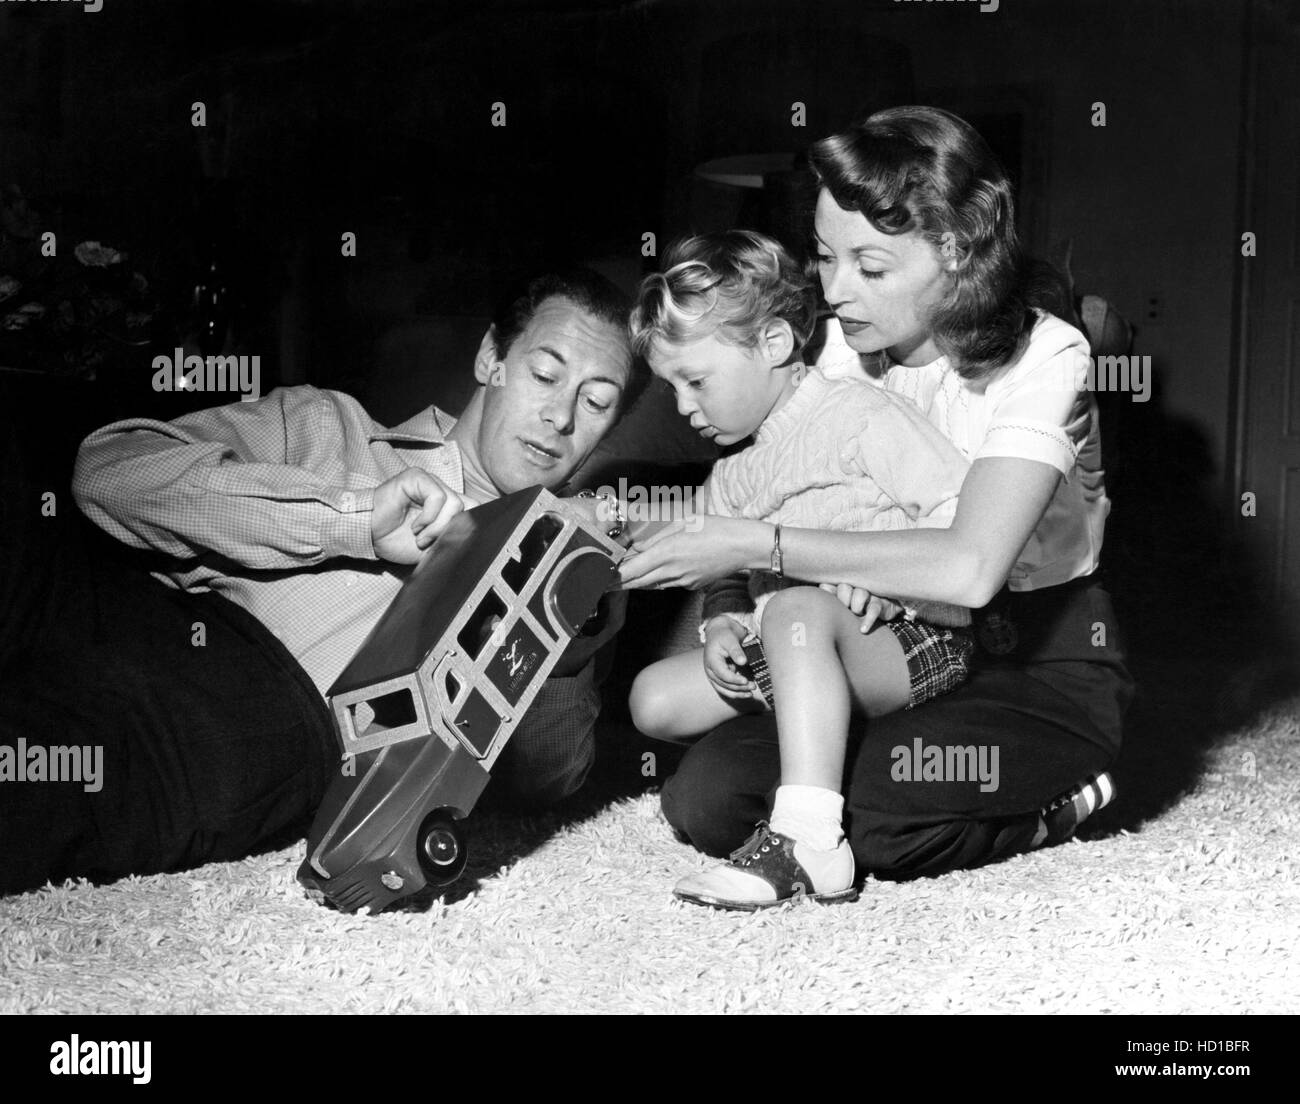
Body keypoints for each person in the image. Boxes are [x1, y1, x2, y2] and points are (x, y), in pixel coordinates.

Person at [617, 106, 1133, 896]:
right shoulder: (836, 346)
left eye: (872, 266)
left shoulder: (1046, 355)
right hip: (879, 644)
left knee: (878, 814)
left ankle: (1057, 804)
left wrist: (760, 545)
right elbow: (715, 405)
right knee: (707, 797)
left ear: (955, 251)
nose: (836, 291)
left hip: (1035, 662)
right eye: (825, 257)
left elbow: (967, 568)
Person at [0, 268, 639, 897]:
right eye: (546, 374)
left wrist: (563, 615)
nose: (560, 415)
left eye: (596, 401)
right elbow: (107, 473)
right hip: (100, 589)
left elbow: (545, 782)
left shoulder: (573, 571)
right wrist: (353, 518)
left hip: (245, 710)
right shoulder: (325, 423)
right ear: (490, 358)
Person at [625, 230, 975, 910]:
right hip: (794, 644)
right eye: (671, 387)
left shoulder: (860, 415)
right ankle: (806, 742)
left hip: (914, 637)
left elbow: (961, 522)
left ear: (776, 345)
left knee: (794, 610)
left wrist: (884, 582)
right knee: (653, 698)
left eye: (696, 380)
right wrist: (724, 619)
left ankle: (810, 840)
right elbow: (724, 571)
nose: (683, 406)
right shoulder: (728, 475)